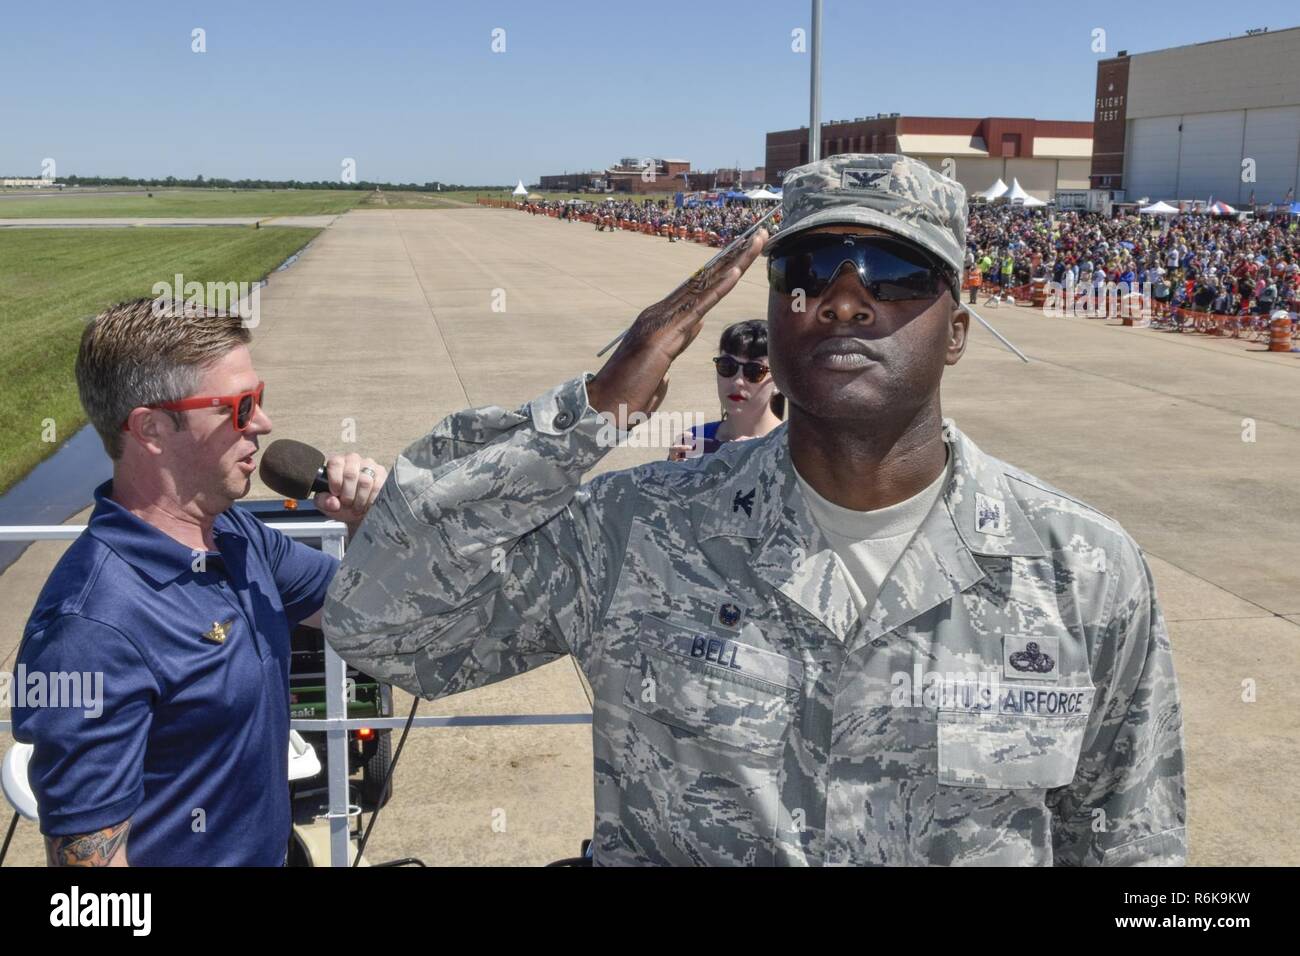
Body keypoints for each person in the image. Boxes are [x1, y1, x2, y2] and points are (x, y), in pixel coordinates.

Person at [323, 154, 1186, 866]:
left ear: (956, 330)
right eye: (807, 271)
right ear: (774, 316)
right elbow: (389, 629)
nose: (844, 300)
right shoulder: (640, 531)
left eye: (894, 273)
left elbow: (1127, 847)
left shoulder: (1079, 570)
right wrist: (586, 415)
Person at [11, 299, 388, 866]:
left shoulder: (235, 533)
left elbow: (362, 612)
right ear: (152, 429)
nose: (262, 423)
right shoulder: (89, 629)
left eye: (257, 400)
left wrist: (366, 529)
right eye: (239, 407)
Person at [666, 319, 784, 461]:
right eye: (727, 366)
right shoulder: (694, 441)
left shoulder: (792, 449)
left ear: (780, 381)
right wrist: (671, 473)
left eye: (754, 371)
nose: (738, 381)